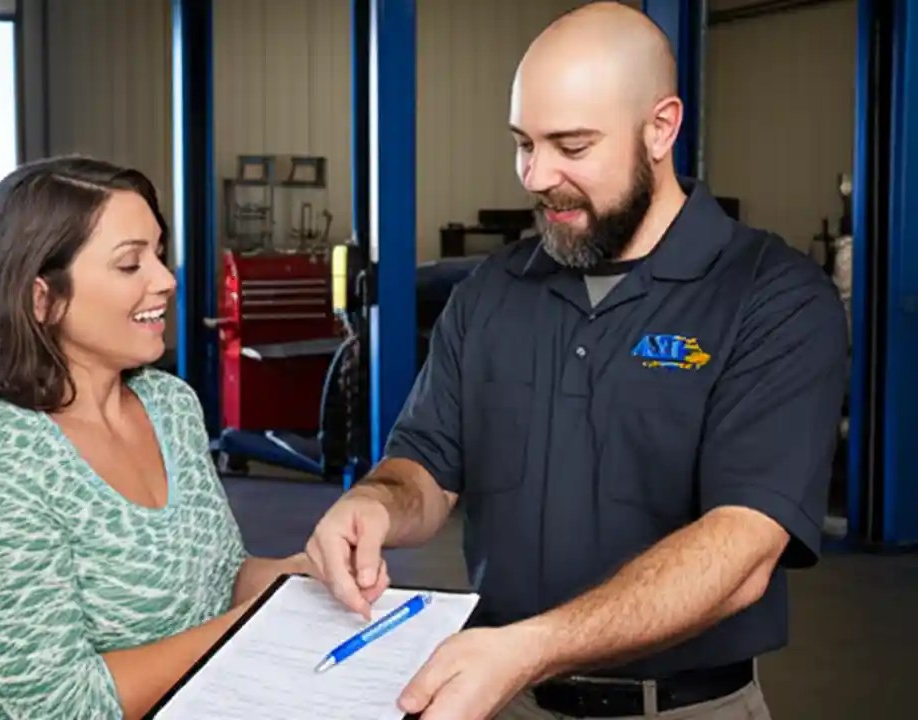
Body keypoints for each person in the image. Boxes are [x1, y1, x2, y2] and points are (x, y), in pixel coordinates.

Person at [303, 3, 849, 719]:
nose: (535, 175)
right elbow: (426, 465)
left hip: (681, 708)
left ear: (661, 128)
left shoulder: (771, 298)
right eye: (523, 143)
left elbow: (740, 553)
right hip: (504, 698)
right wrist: (376, 503)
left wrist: (531, 646)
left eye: (572, 145)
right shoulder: (492, 293)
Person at [0, 155, 310, 719]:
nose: (166, 280)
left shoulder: (169, 405)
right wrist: (253, 626)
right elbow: (58, 707)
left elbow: (223, 577)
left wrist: (300, 576)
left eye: (158, 253)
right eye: (131, 264)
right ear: (43, 299)